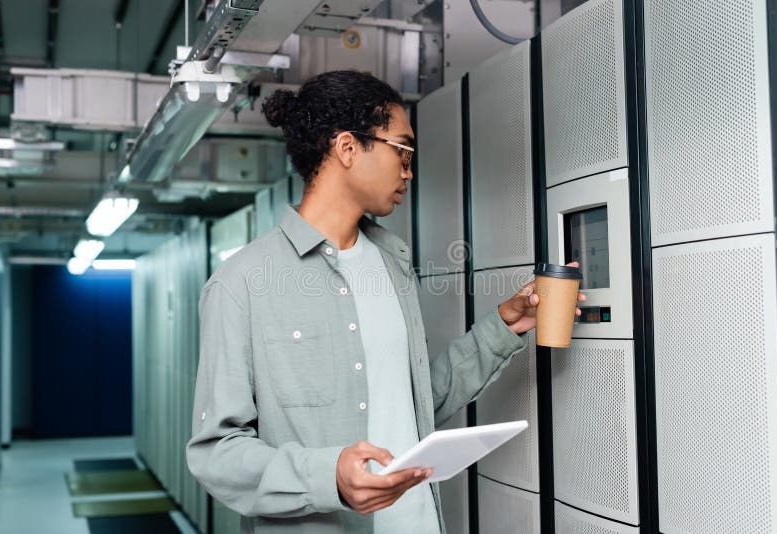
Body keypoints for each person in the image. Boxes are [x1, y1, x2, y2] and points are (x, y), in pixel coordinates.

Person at [186, 70, 585, 534]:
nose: (409, 170)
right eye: (402, 149)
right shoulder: (240, 284)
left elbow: (412, 405)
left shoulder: (393, 263)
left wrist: (506, 325)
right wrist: (327, 477)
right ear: (348, 147)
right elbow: (216, 452)